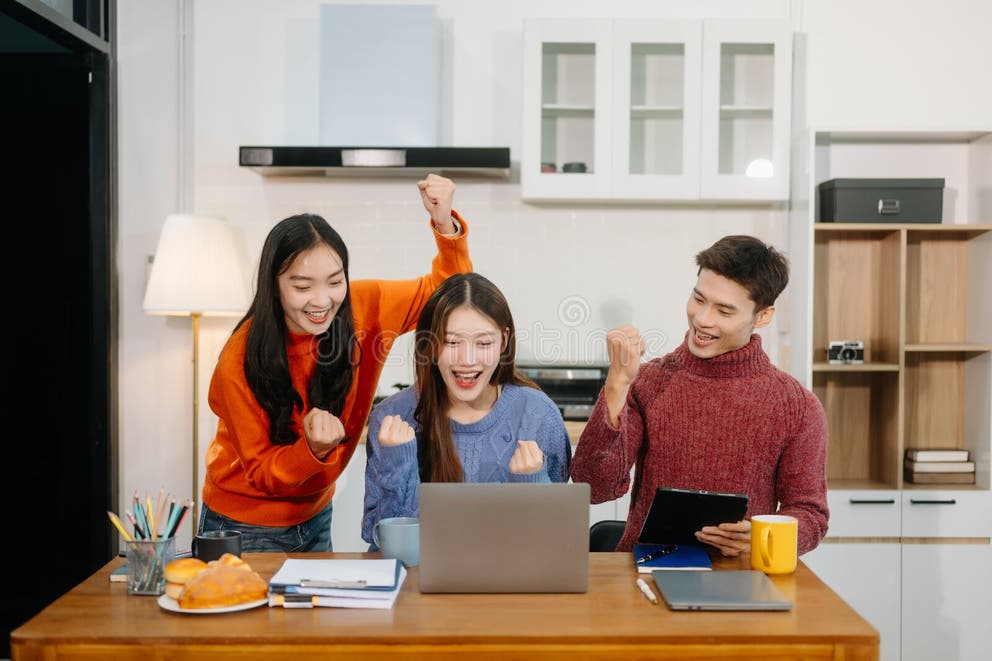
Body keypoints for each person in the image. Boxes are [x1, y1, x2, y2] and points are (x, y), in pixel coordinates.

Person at [200, 174, 472, 552]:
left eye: (334, 281)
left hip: (315, 516)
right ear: (273, 286)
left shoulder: (364, 306)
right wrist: (310, 449)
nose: (322, 300)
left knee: (311, 614)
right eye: (301, 286)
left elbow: (449, 296)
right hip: (242, 525)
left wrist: (444, 223)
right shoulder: (239, 359)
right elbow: (262, 473)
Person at [570, 235, 828, 556]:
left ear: (762, 317)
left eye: (724, 310)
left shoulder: (798, 406)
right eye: (699, 298)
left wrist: (765, 537)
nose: (703, 319)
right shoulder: (648, 382)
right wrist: (616, 386)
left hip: (740, 580)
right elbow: (593, 486)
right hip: (644, 573)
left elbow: (810, 513)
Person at [362, 272, 571, 547]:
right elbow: (387, 547)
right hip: (417, 585)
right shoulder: (393, 417)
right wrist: (397, 461)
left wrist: (534, 484)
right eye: (451, 342)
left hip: (508, 585)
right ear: (429, 344)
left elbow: (553, 544)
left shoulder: (538, 415)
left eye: (484, 343)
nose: (467, 360)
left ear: (504, 341)